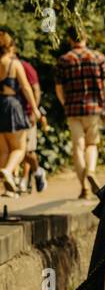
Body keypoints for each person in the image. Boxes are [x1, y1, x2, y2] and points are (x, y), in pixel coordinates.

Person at [54, 26, 105, 199]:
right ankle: (91, 171)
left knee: (77, 147)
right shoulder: (98, 58)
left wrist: (66, 103)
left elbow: (58, 88)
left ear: (70, 39)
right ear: (85, 37)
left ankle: (84, 188)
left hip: (73, 109)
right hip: (93, 109)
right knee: (91, 145)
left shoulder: (63, 60)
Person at [0, 31, 39, 197]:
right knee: (20, 148)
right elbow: (26, 87)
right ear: (10, 46)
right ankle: (8, 171)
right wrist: (35, 108)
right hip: (11, 105)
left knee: (3, 151)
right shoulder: (14, 64)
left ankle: (3, 187)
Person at [15, 41, 47, 193]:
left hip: (26, 114)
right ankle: (20, 180)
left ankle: (37, 172)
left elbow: (35, 89)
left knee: (27, 151)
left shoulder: (25, 67)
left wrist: (34, 111)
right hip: (9, 115)